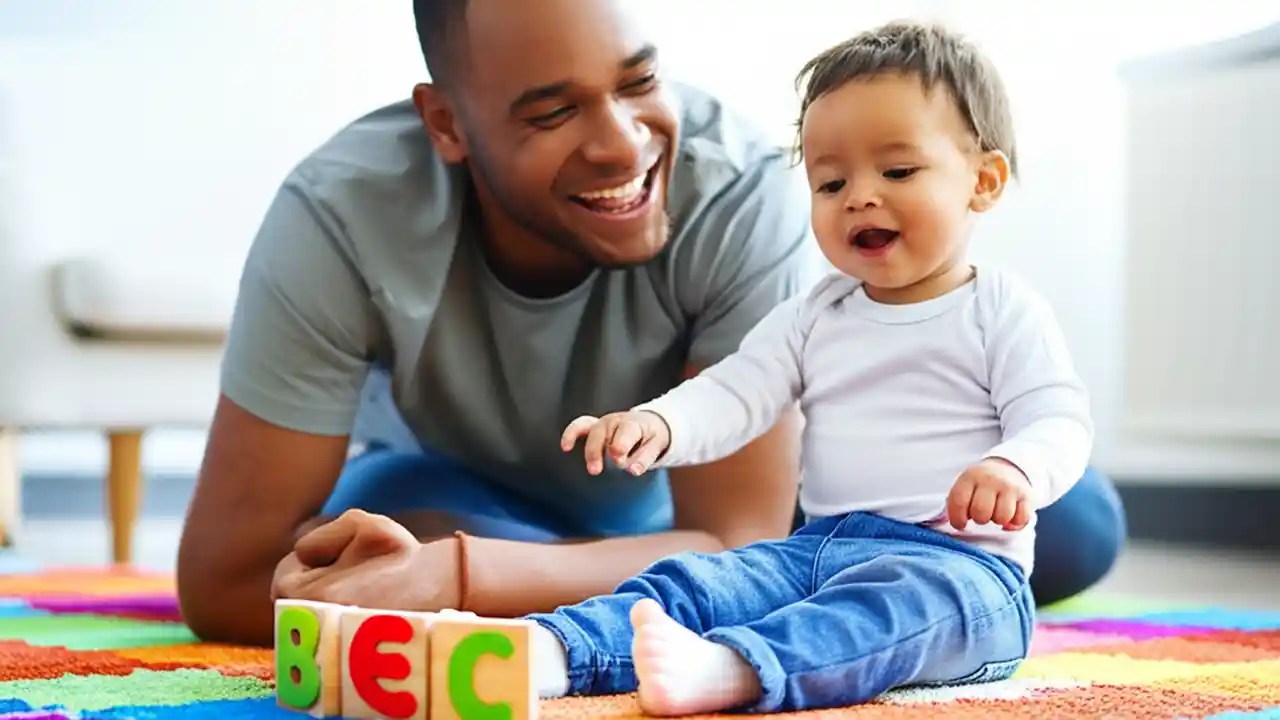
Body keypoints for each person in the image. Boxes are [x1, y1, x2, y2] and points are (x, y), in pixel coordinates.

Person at [175, 0, 1125, 647]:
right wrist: (434, 560)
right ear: (448, 125)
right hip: (461, 492)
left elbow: (739, 538)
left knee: (1067, 519)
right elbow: (225, 578)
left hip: (699, 515)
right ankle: (599, 586)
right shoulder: (340, 217)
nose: (624, 144)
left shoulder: (734, 184)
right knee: (380, 523)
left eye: (638, 83)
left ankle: (552, 587)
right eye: (551, 112)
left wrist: (461, 579)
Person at [525, 20, 1091, 715]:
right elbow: (736, 391)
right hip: (814, 549)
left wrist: (1016, 469)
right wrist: (658, 422)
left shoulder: (1002, 308)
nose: (858, 195)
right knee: (697, 584)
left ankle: (736, 670)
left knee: (889, 616)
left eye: (898, 171)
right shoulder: (816, 313)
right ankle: (546, 651)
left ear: (983, 181)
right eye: (830, 181)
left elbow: (1057, 419)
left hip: (961, 568)